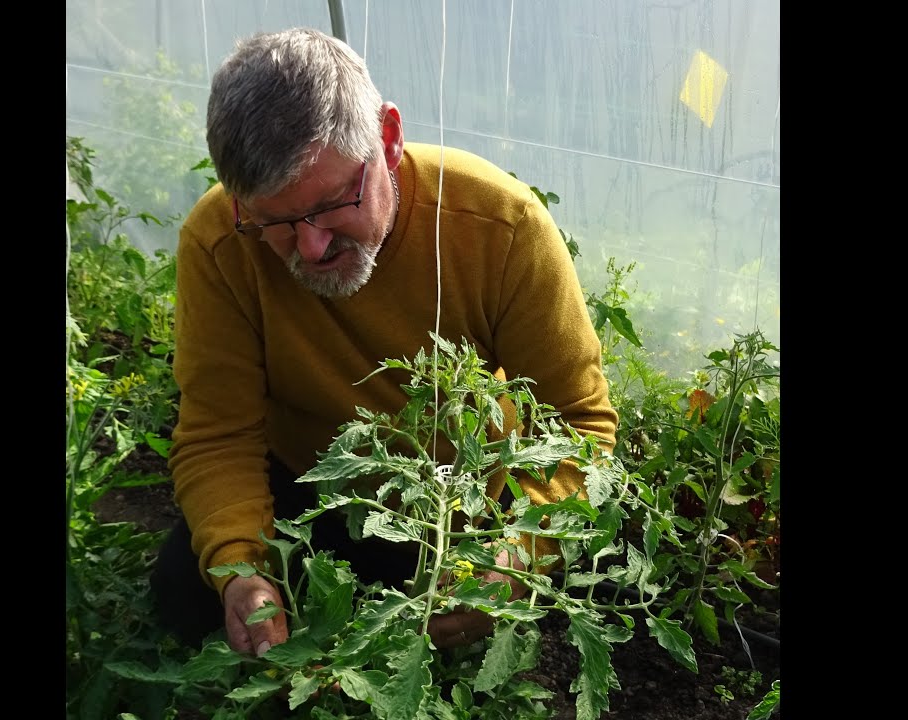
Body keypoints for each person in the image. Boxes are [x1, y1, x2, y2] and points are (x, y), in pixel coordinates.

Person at [153, 27, 617, 657]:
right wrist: (241, 567)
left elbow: (581, 426)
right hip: (310, 481)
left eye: (332, 203)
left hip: (456, 498)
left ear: (389, 139)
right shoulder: (218, 241)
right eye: (275, 223)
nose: (311, 247)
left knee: (454, 634)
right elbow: (217, 432)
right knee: (188, 592)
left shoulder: (499, 228)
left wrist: (512, 560)